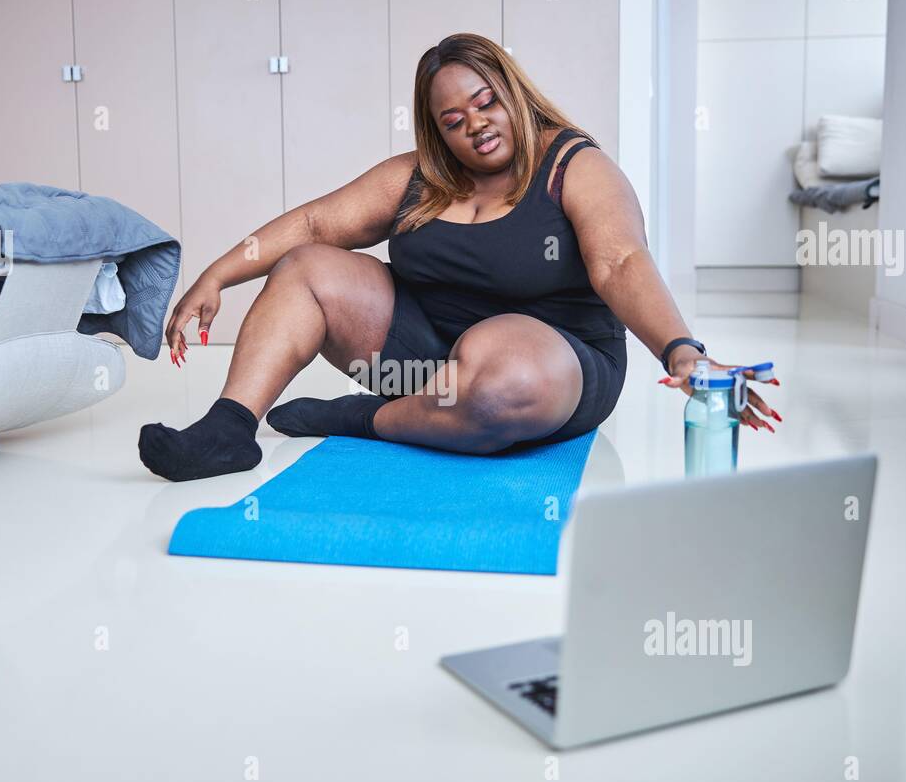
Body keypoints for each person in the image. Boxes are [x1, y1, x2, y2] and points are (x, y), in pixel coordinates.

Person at [139, 33, 779, 482]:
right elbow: (314, 222)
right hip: (430, 363)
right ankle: (228, 430)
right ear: (436, 131)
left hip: (552, 367)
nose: (475, 124)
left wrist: (682, 351)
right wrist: (218, 273)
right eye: (452, 120)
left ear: (513, 93)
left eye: (485, 102)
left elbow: (619, 262)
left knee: (503, 377)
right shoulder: (416, 178)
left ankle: (369, 417)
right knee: (306, 264)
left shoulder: (572, 164)